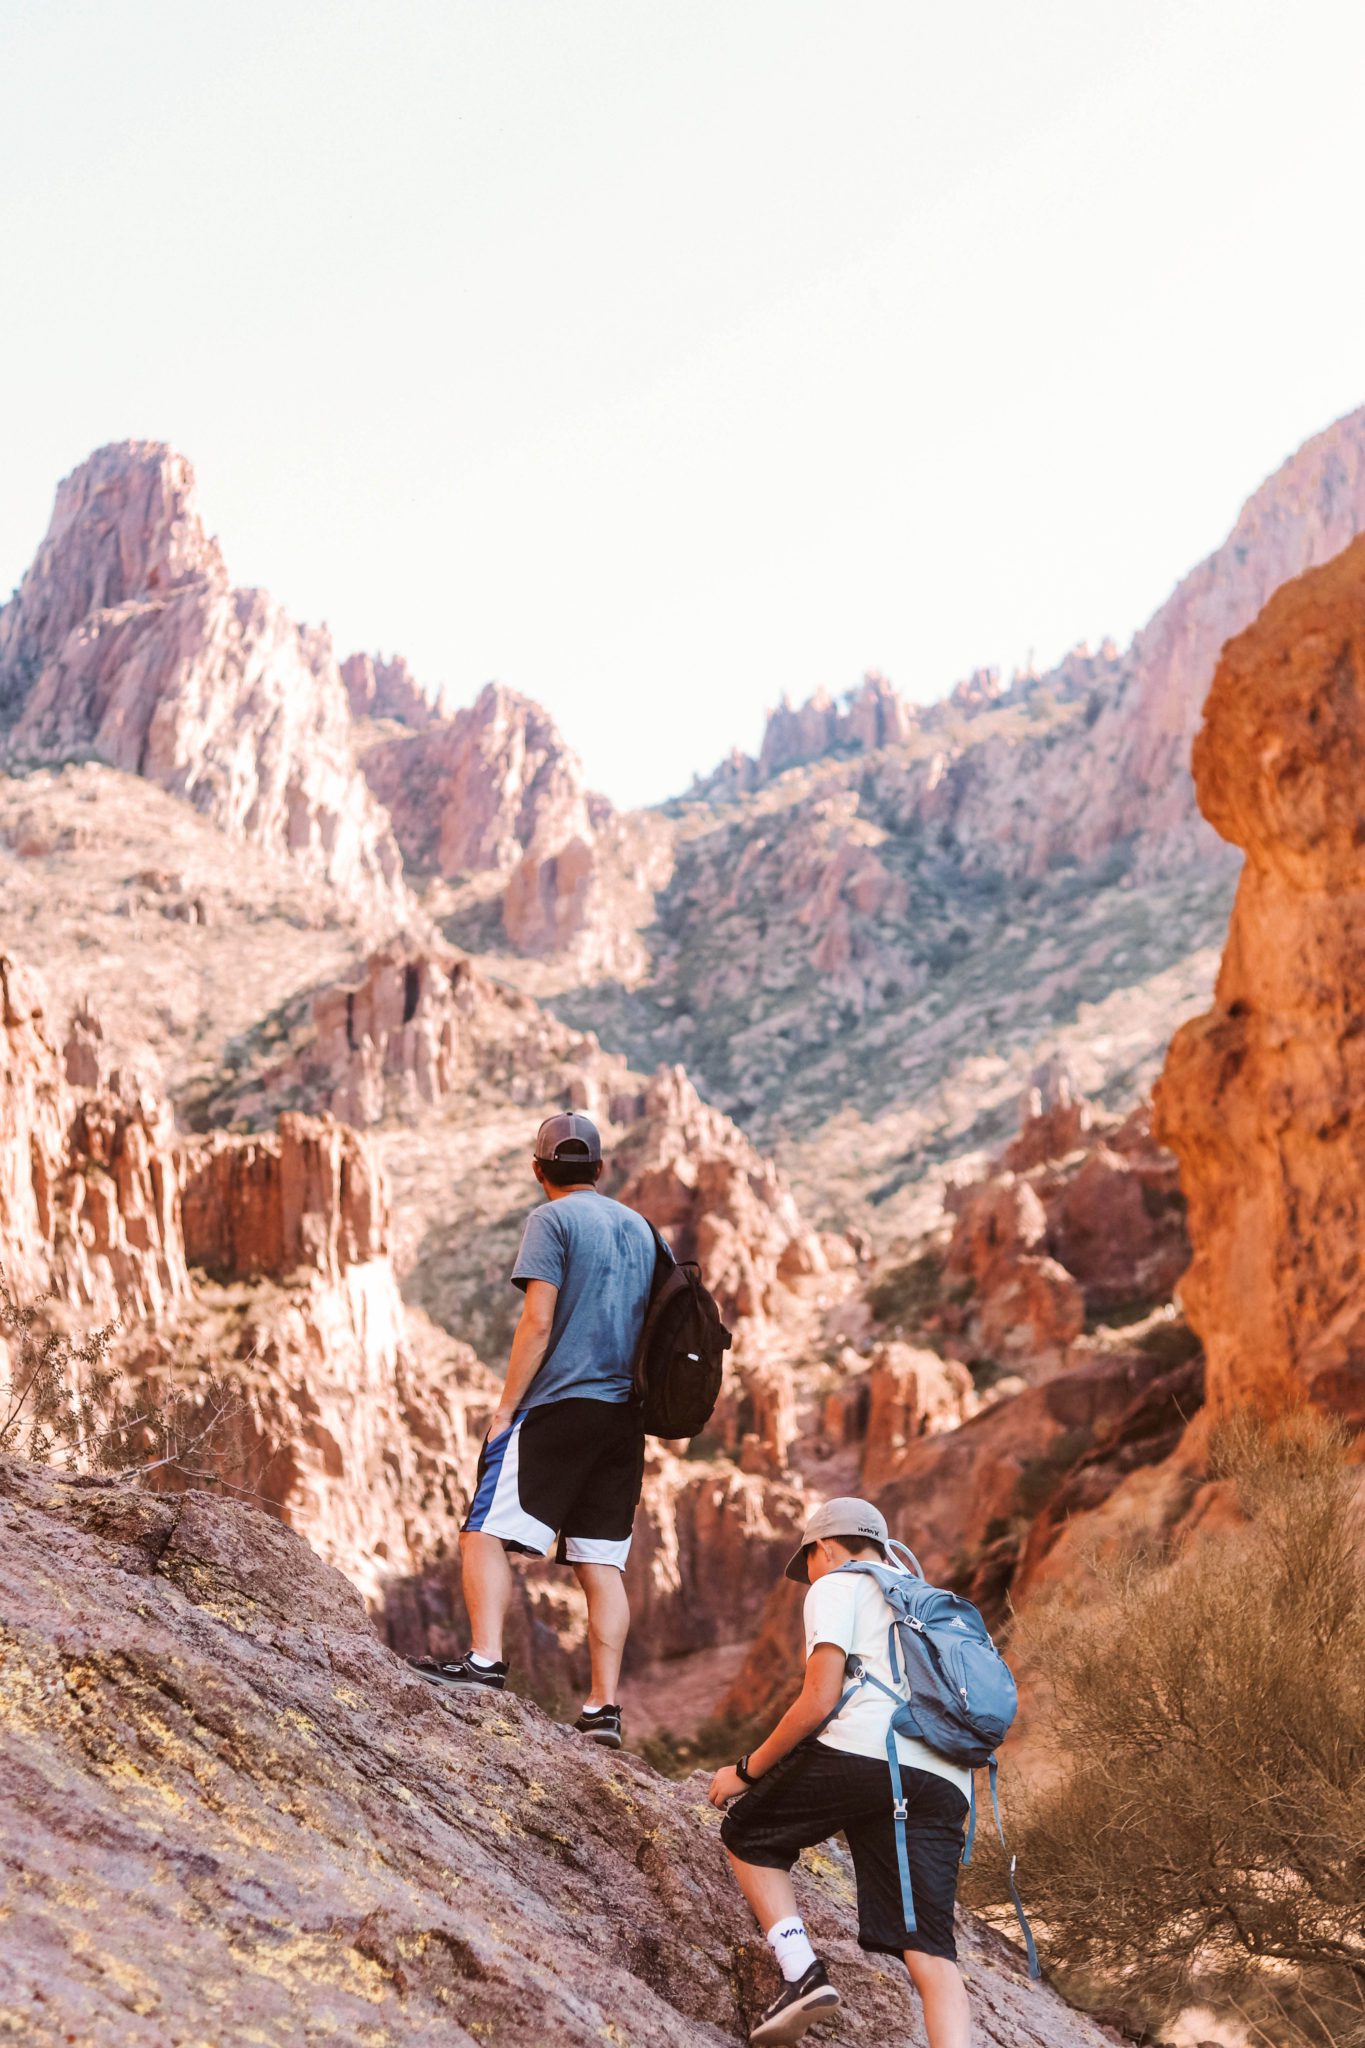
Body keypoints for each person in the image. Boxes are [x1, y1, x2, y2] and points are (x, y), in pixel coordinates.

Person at [409, 1111, 661, 1750]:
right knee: (598, 1561)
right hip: (624, 1417)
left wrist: (505, 1410)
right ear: (599, 1169)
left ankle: (485, 1663)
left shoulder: (550, 1220)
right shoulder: (640, 1227)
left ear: (538, 1169)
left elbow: (538, 1323)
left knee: (482, 1530)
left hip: (558, 1405)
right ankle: (603, 1708)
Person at [710, 1499, 974, 2048]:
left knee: (748, 1834)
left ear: (824, 1547)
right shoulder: (923, 1597)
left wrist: (747, 1771)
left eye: (806, 1561)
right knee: (930, 1947)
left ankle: (801, 1973)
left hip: (871, 1750)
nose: (807, 1575)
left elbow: (818, 1698)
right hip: (948, 1776)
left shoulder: (837, 1584)